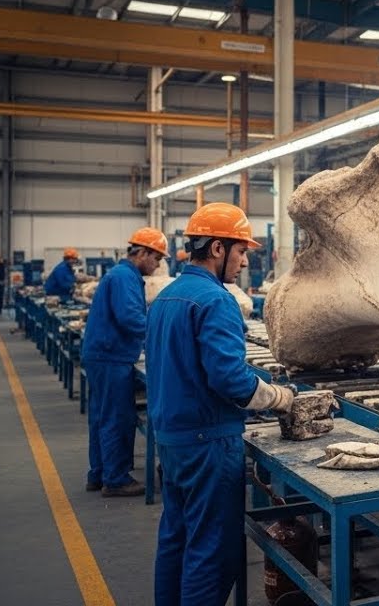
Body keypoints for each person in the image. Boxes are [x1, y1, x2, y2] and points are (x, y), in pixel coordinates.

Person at [145, 203, 295, 606]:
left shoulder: (167, 297)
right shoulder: (215, 300)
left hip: (172, 439)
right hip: (207, 443)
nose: (244, 261)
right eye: (241, 251)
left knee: (176, 538)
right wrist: (279, 397)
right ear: (216, 248)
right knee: (212, 551)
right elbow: (230, 378)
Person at [82, 228, 168, 497]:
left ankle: (98, 474)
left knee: (101, 416)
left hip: (103, 354)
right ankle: (116, 479)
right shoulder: (123, 277)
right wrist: (163, 338)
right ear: (141, 252)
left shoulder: (122, 275)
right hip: (111, 357)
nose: (157, 266)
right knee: (117, 417)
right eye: (155, 259)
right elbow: (131, 319)